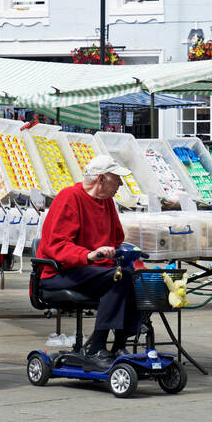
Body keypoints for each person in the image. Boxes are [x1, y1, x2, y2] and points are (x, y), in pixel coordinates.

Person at [35, 154, 140, 371]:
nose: (120, 184)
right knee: (118, 278)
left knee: (135, 277)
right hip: (60, 272)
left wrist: (117, 254)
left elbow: (117, 237)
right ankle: (98, 347)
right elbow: (57, 246)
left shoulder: (107, 202)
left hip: (92, 270)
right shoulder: (69, 198)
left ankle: (120, 344)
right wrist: (88, 255)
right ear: (101, 179)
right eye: (116, 179)